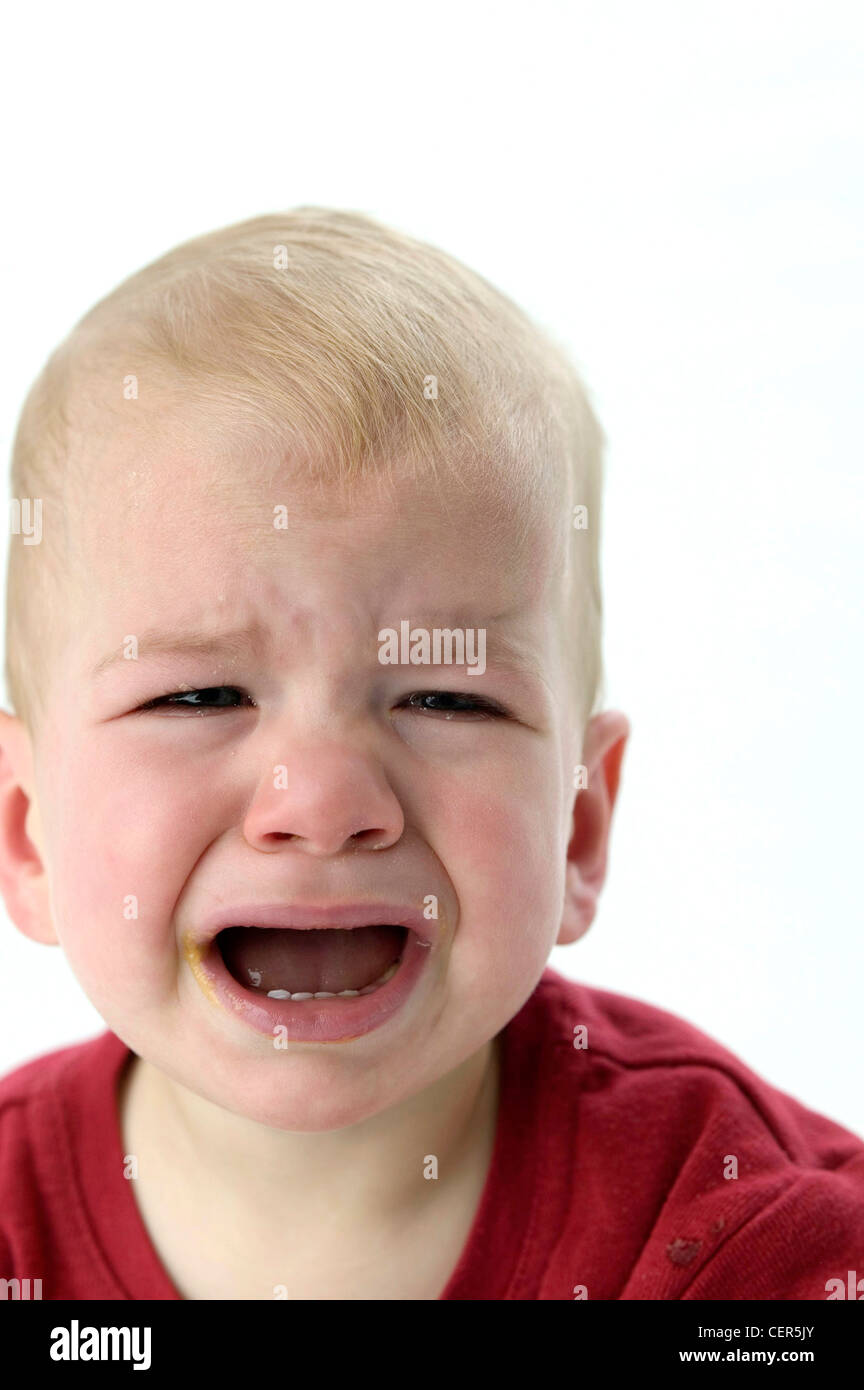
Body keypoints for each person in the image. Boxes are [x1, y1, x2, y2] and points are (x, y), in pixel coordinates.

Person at [0, 208, 861, 1300]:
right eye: (200, 694)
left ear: (579, 829)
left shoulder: (749, 1249)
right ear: (28, 830)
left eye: (448, 697)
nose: (318, 801)